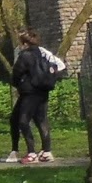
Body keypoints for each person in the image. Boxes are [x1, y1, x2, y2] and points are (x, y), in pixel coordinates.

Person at [7, 29, 66, 164]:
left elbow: (17, 73)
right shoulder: (43, 53)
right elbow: (60, 65)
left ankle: (31, 153)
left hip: (29, 92)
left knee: (23, 121)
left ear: (24, 43)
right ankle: (46, 151)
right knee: (41, 120)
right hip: (43, 91)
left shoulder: (25, 55)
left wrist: (17, 85)